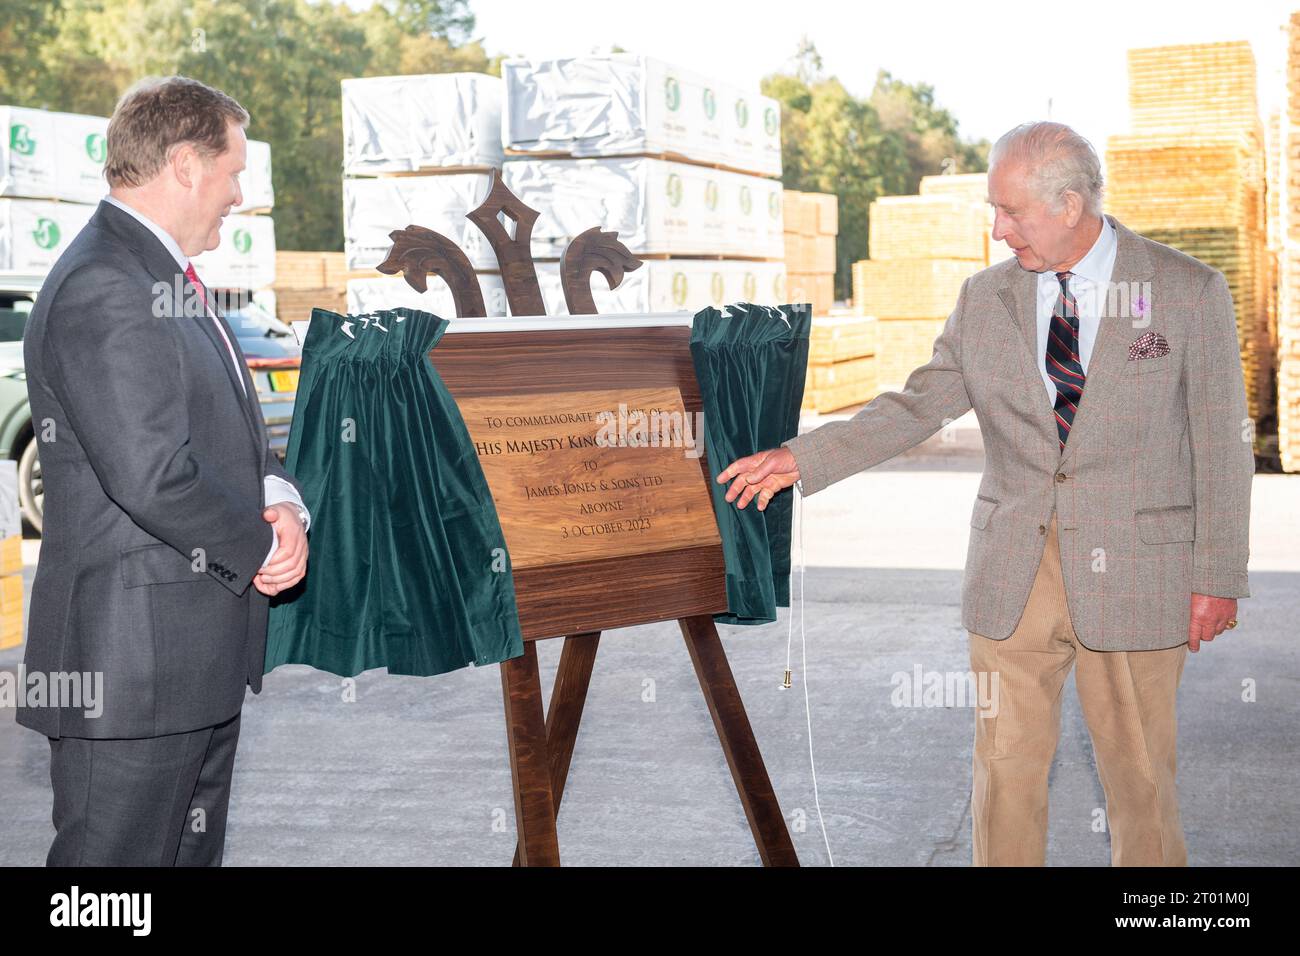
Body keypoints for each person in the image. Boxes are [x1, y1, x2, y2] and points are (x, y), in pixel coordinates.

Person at [716, 120, 1253, 866]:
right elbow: (916, 405)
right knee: (1004, 775)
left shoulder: (1186, 291)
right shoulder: (985, 299)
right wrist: (802, 458)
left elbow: (1224, 443)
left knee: (1141, 783)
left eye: (1011, 213)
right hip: (1013, 574)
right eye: (992, 213)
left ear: (1069, 205)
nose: (998, 231)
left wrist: (1217, 576)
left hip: (1140, 572)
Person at [18, 75, 310, 865]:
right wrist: (260, 548)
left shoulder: (161, 275)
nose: (238, 194)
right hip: (133, 676)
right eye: (233, 172)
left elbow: (229, 434)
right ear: (185, 164)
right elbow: (149, 474)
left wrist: (279, 499)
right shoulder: (106, 284)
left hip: (186, 663)